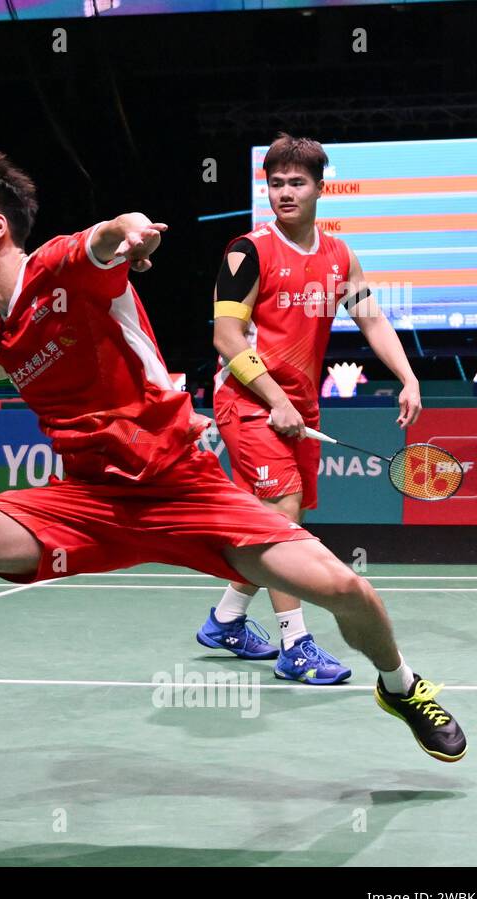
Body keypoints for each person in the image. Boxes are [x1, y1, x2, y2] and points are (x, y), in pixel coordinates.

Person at [0, 145, 466, 774]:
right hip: (87, 502)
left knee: (347, 592)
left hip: (183, 488)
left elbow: (107, 238)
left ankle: (399, 686)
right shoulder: (1, 320)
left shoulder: (63, 267)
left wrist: (132, 232)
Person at [197, 133, 425, 684]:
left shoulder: (338, 256)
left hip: (301, 407)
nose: (285, 193)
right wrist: (274, 400)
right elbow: (228, 338)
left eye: (297, 183)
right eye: (275, 184)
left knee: (275, 521)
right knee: (284, 511)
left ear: (321, 189)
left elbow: (371, 318)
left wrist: (407, 375)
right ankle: (295, 645)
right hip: (248, 400)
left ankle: (225, 620)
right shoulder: (247, 251)